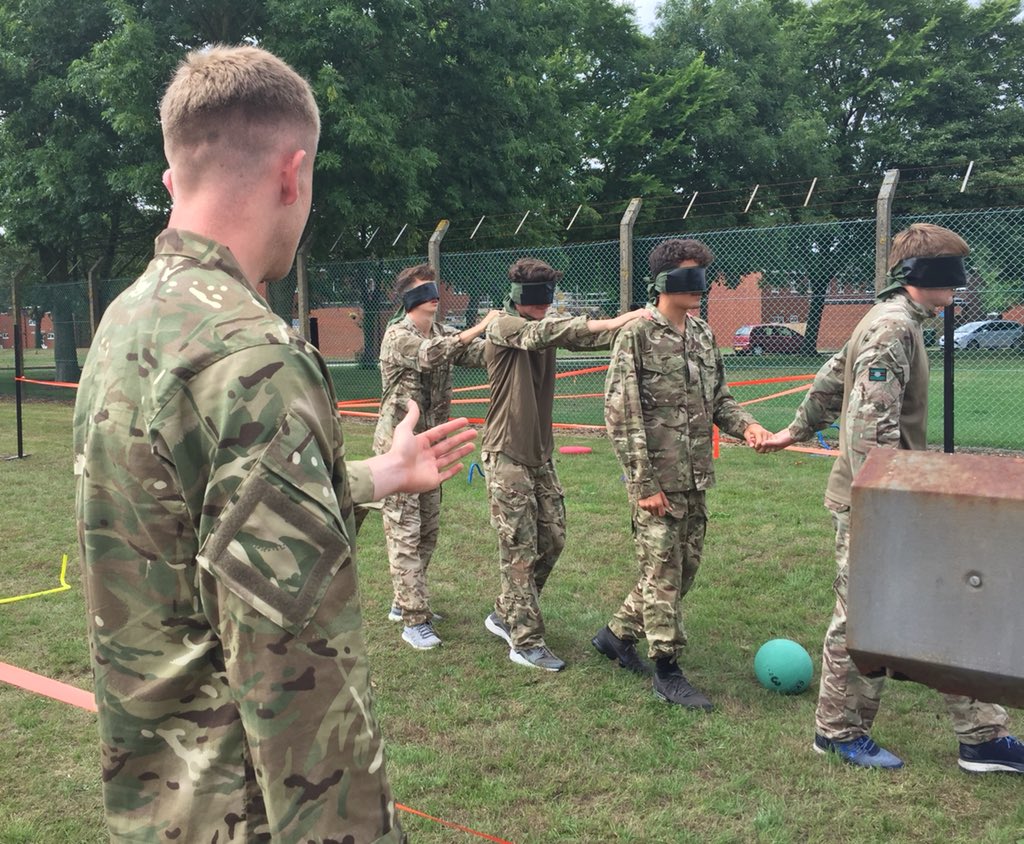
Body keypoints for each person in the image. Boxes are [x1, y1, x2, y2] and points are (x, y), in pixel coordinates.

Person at [73, 46, 477, 842]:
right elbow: (298, 687)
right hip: (243, 812)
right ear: (293, 175)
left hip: (161, 805)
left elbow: (196, 523)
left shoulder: (128, 321)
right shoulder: (250, 355)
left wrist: (374, 474)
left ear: (171, 180)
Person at [759, 222, 1024, 771]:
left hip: (905, 497)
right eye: (955, 271)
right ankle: (836, 731)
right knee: (864, 617)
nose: (963, 282)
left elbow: (830, 380)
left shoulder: (893, 320)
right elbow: (868, 428)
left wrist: (794, 430)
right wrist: (883, 512)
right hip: (884, 504)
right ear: (925, 275)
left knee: (947, 603)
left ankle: (982, 735)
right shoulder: (892, 328)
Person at [593, 238, 769, 709]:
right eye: (692, 277)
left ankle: (615, 635)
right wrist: (642, 483)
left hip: (695, 477)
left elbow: (720, 400)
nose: (702, 287)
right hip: (658, 481)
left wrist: (748, 426)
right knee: (664, 573)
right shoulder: (636, 335)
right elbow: (620, 413)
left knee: (683, 568)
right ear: (665, 281)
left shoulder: (703, 335)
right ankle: (666, 669)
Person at [481, 257, 650, 671]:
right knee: (519, 550)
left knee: (552, 540)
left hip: (540, 454)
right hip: (507, 454)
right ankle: (525, 641)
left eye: (548, 297)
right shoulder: (502, 326)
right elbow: (547, 332)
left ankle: (506, 612)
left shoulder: (544, 327)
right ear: (519, 298)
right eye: (537, 298)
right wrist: (615, 320)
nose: (544, 305)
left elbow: (578, 338)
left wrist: (636, 325)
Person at [373, 264, 499, 649]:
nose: (431, 295)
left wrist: (510, 332)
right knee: (405, 533)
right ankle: (414, 619)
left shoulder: (443, 332)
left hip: (429, 448)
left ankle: (405, 601)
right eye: (422, 290)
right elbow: (430, 355)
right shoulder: (398, 336)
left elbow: (476, 354)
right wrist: (481, 324)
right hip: (397, 451)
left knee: (428, 529)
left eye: (434, 288)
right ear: (407, 299)